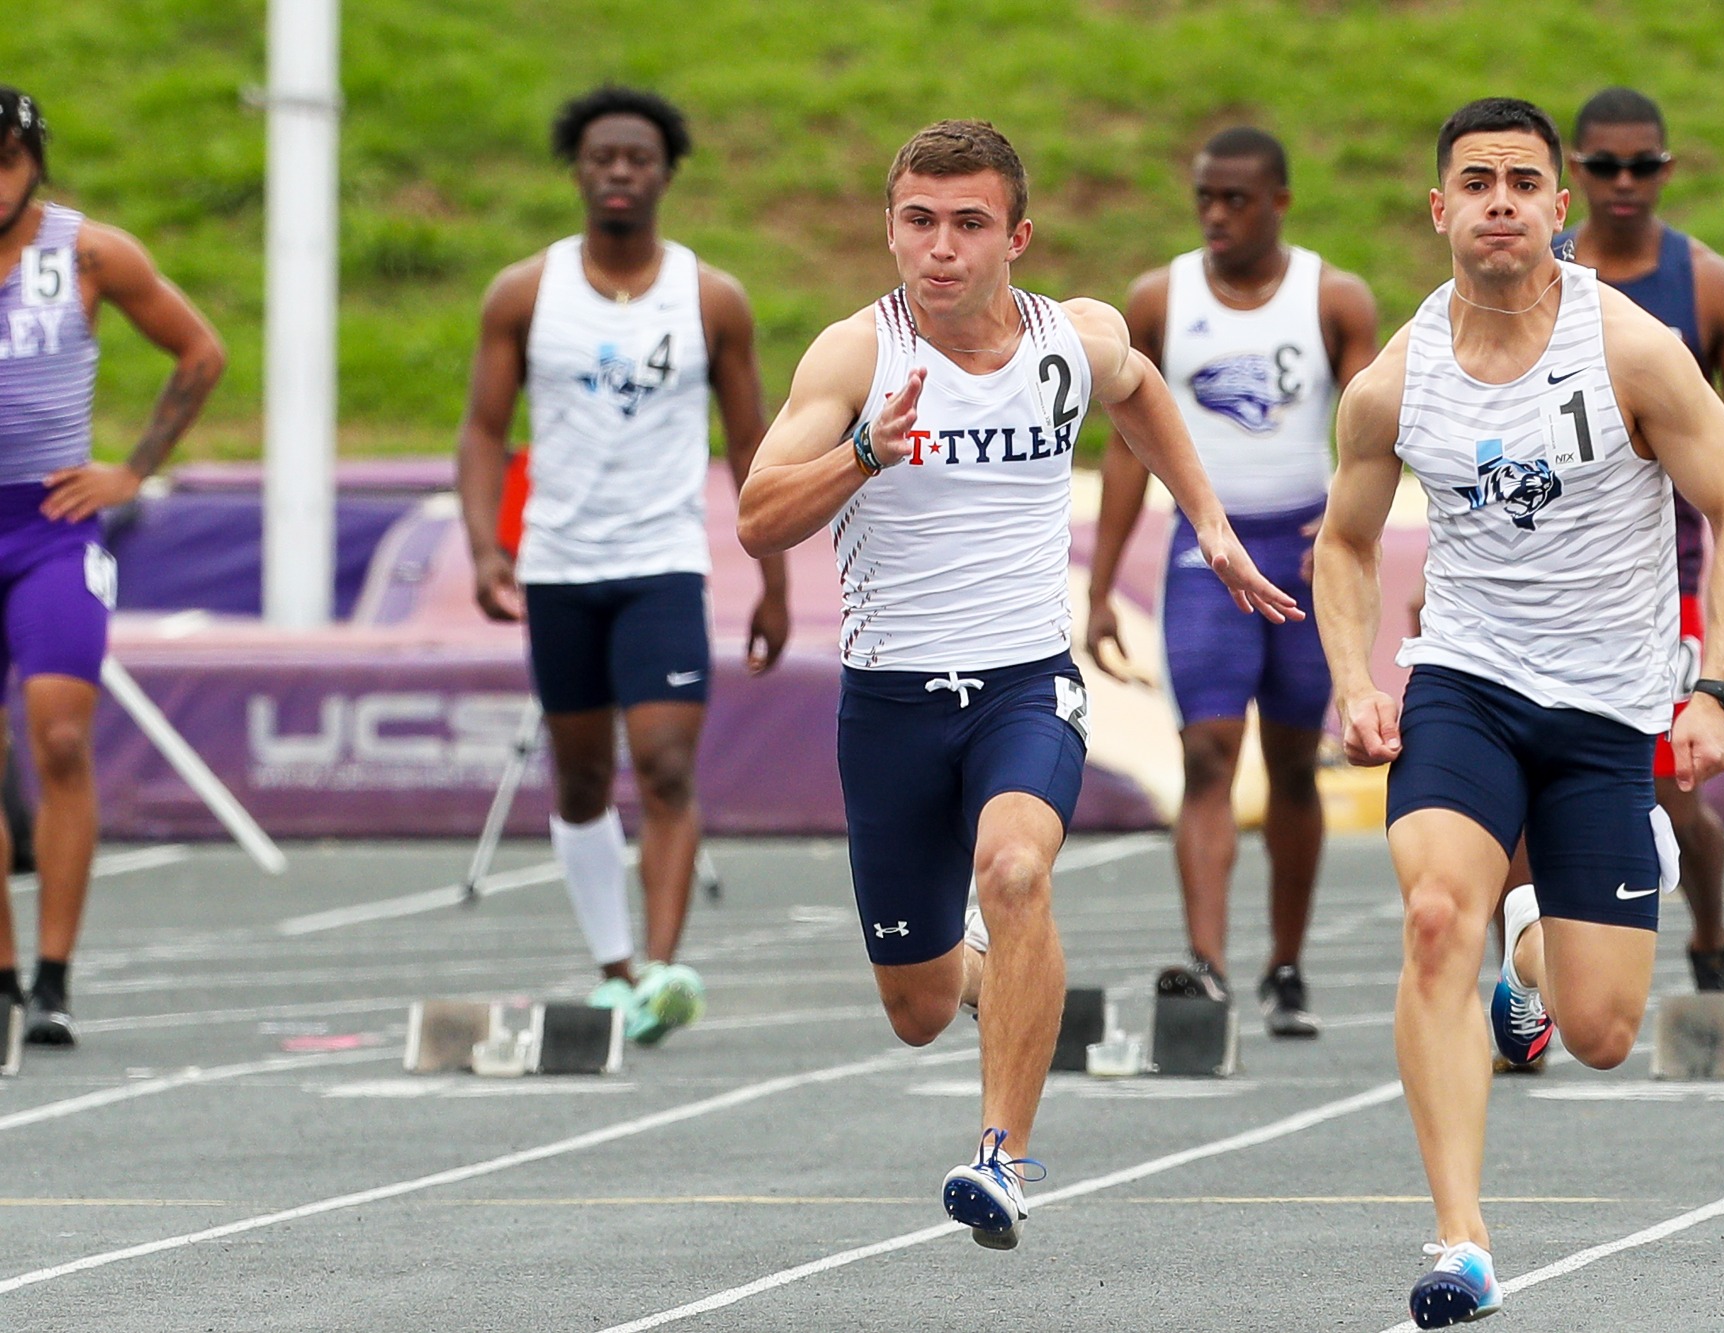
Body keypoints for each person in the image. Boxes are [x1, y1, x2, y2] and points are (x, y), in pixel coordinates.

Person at [738, 120, 1298, 1250]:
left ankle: (1001, 1156)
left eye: (968, 224)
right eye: (917, 222)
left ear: (1017, 238)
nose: (939, 248)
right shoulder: (853, 358)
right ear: (890, 228)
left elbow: (1140, 392)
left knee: (1015, 868)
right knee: (916, 1007)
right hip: (890, 701)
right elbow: (757, 517)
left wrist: (1209, 522)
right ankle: (999, 974)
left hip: (1023, 687)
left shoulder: (1071, 337)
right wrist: (863, 454)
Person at [1312, 98, 1724, 1326]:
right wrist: (1354, 679)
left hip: (1607, 709)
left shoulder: (1630, 348)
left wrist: (1712, 687)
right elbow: (1343, 542)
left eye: (1522, 181)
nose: (1500, 202)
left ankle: (1533, 934)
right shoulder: (1395, 381)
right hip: (1463, 683)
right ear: (1439, 209)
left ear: (1558, 208)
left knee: (1601, 1028)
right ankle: (1459, 1240)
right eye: (1476, 182)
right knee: (1429, 917)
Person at [456, 86, 790, 1046]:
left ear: (666, 175)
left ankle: (663, 971)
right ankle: (615, 967)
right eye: (601, 157)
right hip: (560, 567)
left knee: (667, 765)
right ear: (576, 170)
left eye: (637, 159)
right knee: (579, 778)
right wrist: (485, 547)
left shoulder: (711, 299)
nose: (618, 173)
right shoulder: (525, 294)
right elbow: (482, 431)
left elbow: (751, 444)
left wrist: (772, 580)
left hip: (662, 565)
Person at [1086, 126, 1377, 1036]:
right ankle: (1207, 967)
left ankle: (1285, 965)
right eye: (1205, 197)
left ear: (1279, 202)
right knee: (1208, 753)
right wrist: (1098, 588)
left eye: (1237, 200)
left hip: (1300, 550)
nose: (1217, 214)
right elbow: (1129, 448)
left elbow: (1370, 431)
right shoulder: (1158, 299)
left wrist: (1348, 534)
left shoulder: (1332, 297)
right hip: (1205, 552)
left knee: (1292, 763)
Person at [1555, 86, 1724, 1022]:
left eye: (1642, 165)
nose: (1625, 182)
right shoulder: (1533, 274)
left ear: (1667, 169)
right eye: (1606, 165)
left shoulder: (1714, 288)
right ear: (1576, 171)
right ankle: (1522, 990)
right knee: (1520, 793)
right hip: (1547, 577)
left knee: (1673, 794)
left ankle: (1710, 937)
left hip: (1669, 581)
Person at [0, 88, 227, 1049]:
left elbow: (199, 352)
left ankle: (53, 977)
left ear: (35, 163)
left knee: (58, 738)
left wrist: (131, 471)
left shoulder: (90, 254)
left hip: (50, 527)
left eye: (6, 161)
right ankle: (1, 973)